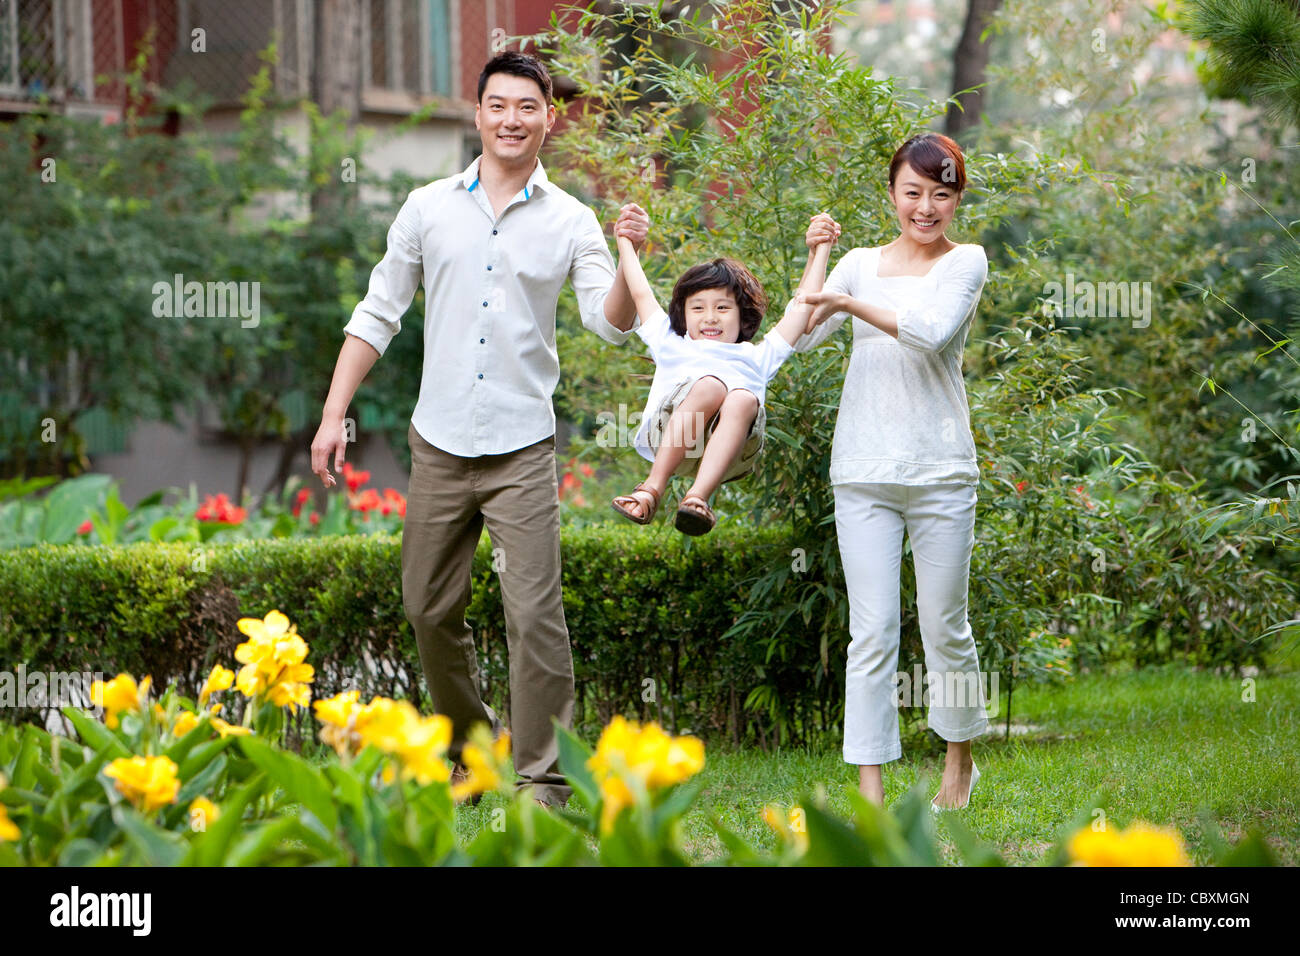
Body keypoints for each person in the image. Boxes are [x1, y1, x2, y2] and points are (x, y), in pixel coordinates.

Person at [309, 52, 648, 807]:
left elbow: (610, 323)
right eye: (498, 105)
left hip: (522, 446)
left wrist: (631, 262)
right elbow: (377, 313)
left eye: (527, 107)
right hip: (439, 442)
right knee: (428, 607)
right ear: (478, 114)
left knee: (535, 616)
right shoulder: (428, 207)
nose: (511, 120)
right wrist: (335, 414)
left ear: (548, 119)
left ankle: (543, 778)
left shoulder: (571, 221)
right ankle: (473, 746)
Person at [796, 132, 991, 811]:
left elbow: (929, 331)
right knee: (872, 630)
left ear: (957, 198)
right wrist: (819, 258)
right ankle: (871, 789)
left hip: (941, 470)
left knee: (945, 624)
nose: (926, 207)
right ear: (892, 194)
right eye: (913, 193)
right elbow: (798, 331)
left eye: (942, 194)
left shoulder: (966, 261)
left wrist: (849, 304)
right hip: (864, 468)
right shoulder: (856, 262)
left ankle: (958, 762)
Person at [609, 218, 836, 534]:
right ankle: (651, 489)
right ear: (683, 314)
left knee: (743, 397)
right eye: (698, 308)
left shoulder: (755, 357)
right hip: (670, 436)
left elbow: (801, 308)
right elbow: (641, 292)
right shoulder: (671, 342)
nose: (710, 317)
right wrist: (624, 240)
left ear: (743, 315)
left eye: (723, 308)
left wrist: (820, 249)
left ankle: (698, 499)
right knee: (711, 386)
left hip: (729, 453)